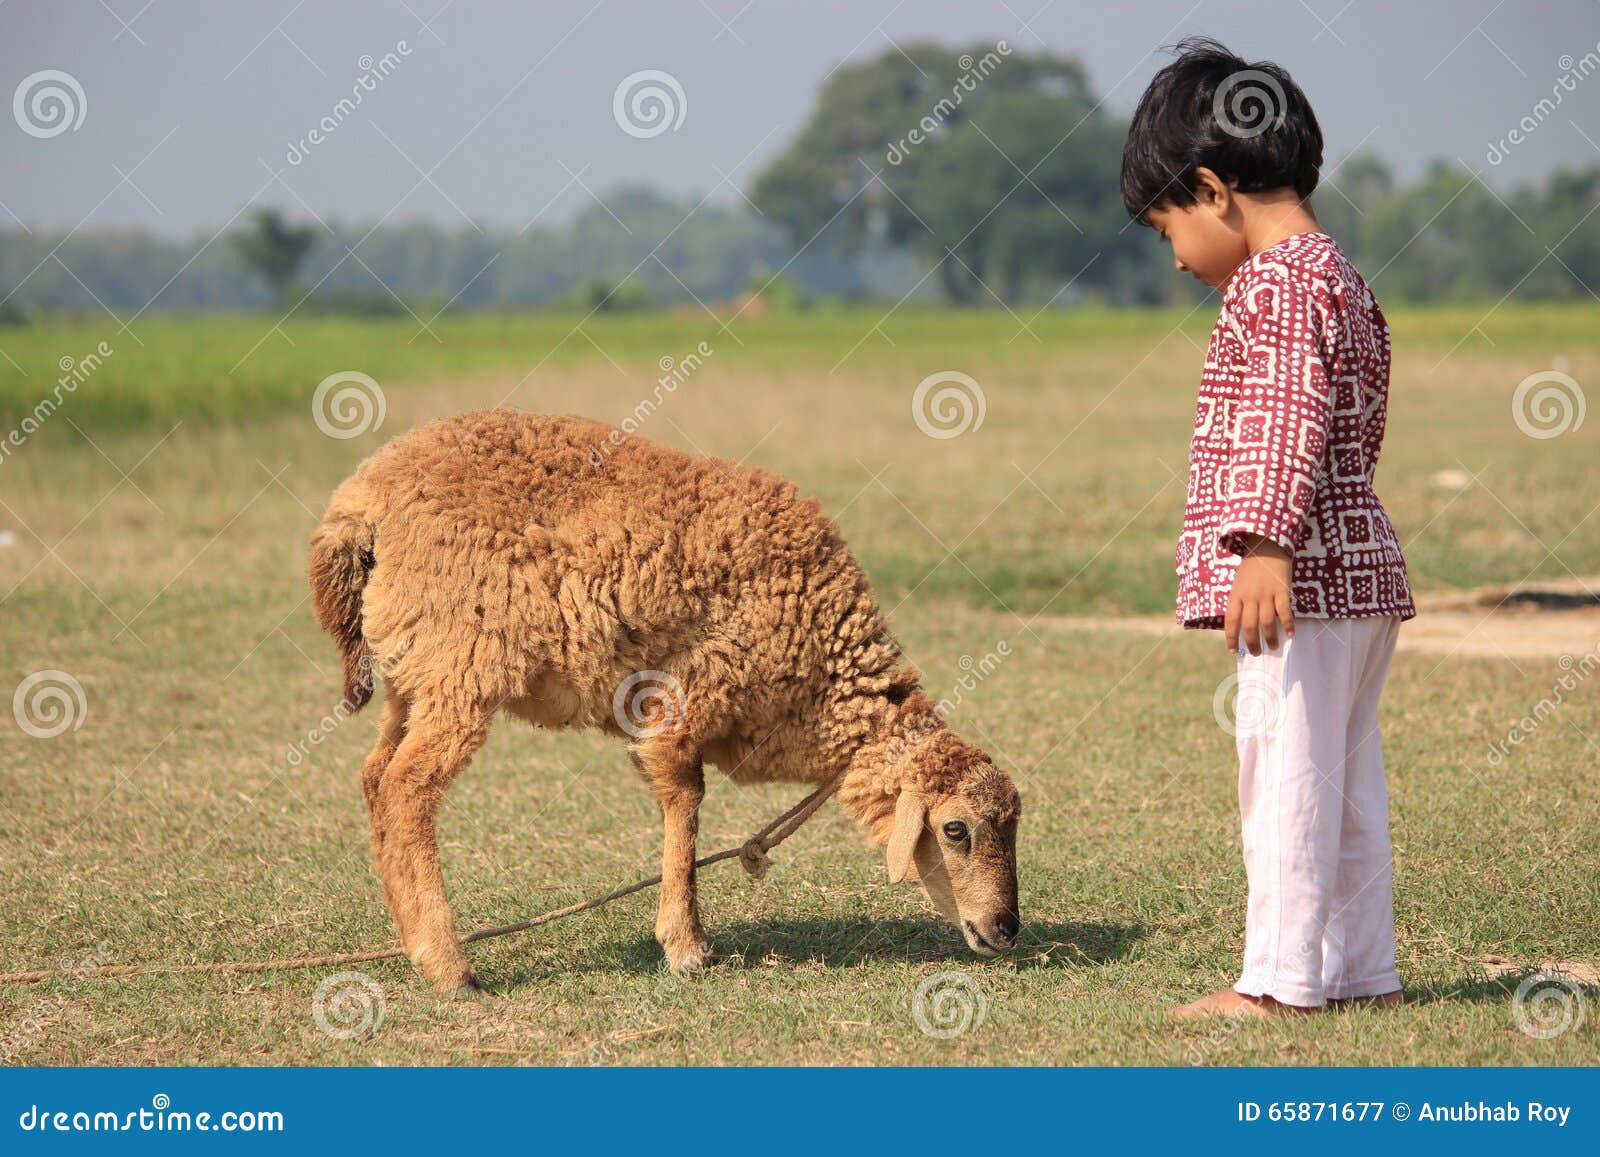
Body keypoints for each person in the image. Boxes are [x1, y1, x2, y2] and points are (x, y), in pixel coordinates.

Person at [1119, 38, 1416, 1019]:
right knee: (1346, 792)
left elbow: (1287, 412)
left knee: (1284, 782)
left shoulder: (1273, 287)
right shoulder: (1340, 277)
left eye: (1166, 225)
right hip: (1359, 573)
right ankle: (1359, 968)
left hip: (1302, 580)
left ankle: (1280, 983)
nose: (1174, 255)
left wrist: (1263, 546)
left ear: (1212, 189)